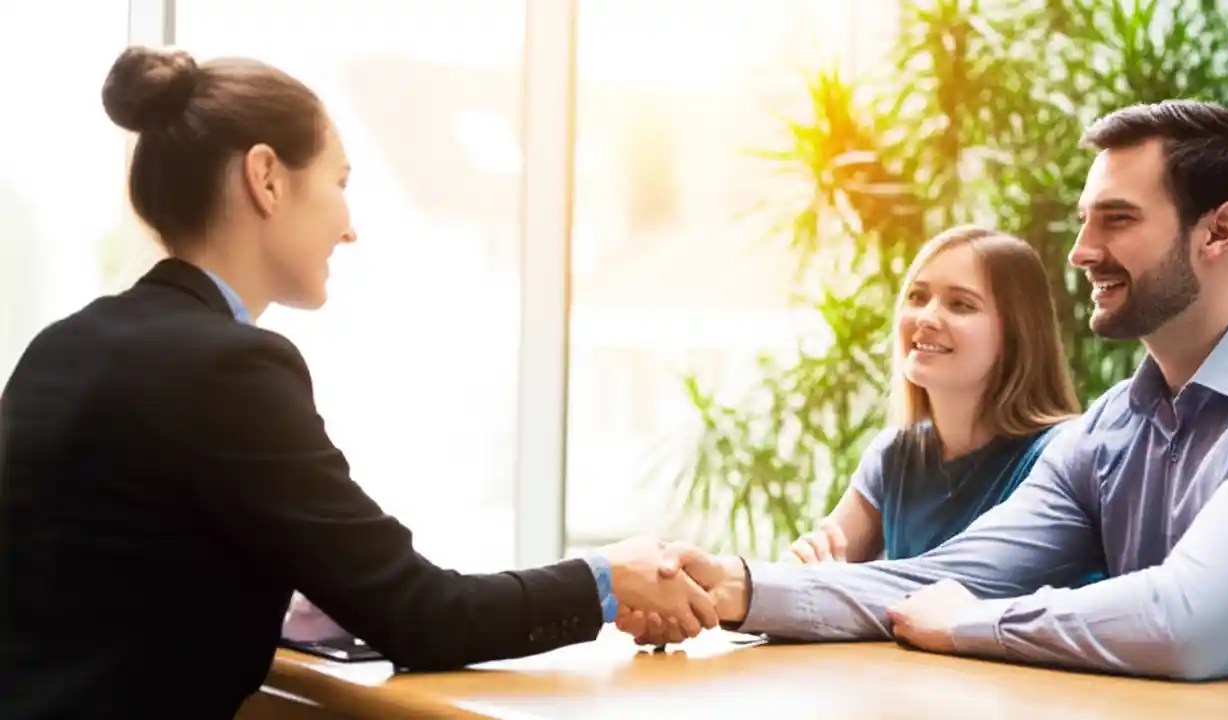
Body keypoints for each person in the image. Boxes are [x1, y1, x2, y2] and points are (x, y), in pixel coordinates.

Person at [0, 46, 716, 719]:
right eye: (340, 183)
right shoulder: (230, 368)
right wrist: (605, 579)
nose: (351, 229)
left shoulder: (61, 347)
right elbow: (422, 615)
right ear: (266, 177)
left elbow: (117, 588)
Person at [626, 99, 1228, 685]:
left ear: (1219, 232)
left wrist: (975, 624)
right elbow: (936, 583)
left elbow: (1192, 625)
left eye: (1117, 219)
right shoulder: (1106, 432)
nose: (1081, 250)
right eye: (1086, 221)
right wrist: (736, 587)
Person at [789, 226, 1079, 566]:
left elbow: (969, 585)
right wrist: (805, 568)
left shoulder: (1062, 455)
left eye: (960, 304)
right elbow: (815, 573)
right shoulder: (895, 456)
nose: (925, 318)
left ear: (1017, 333)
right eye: (917, 297)